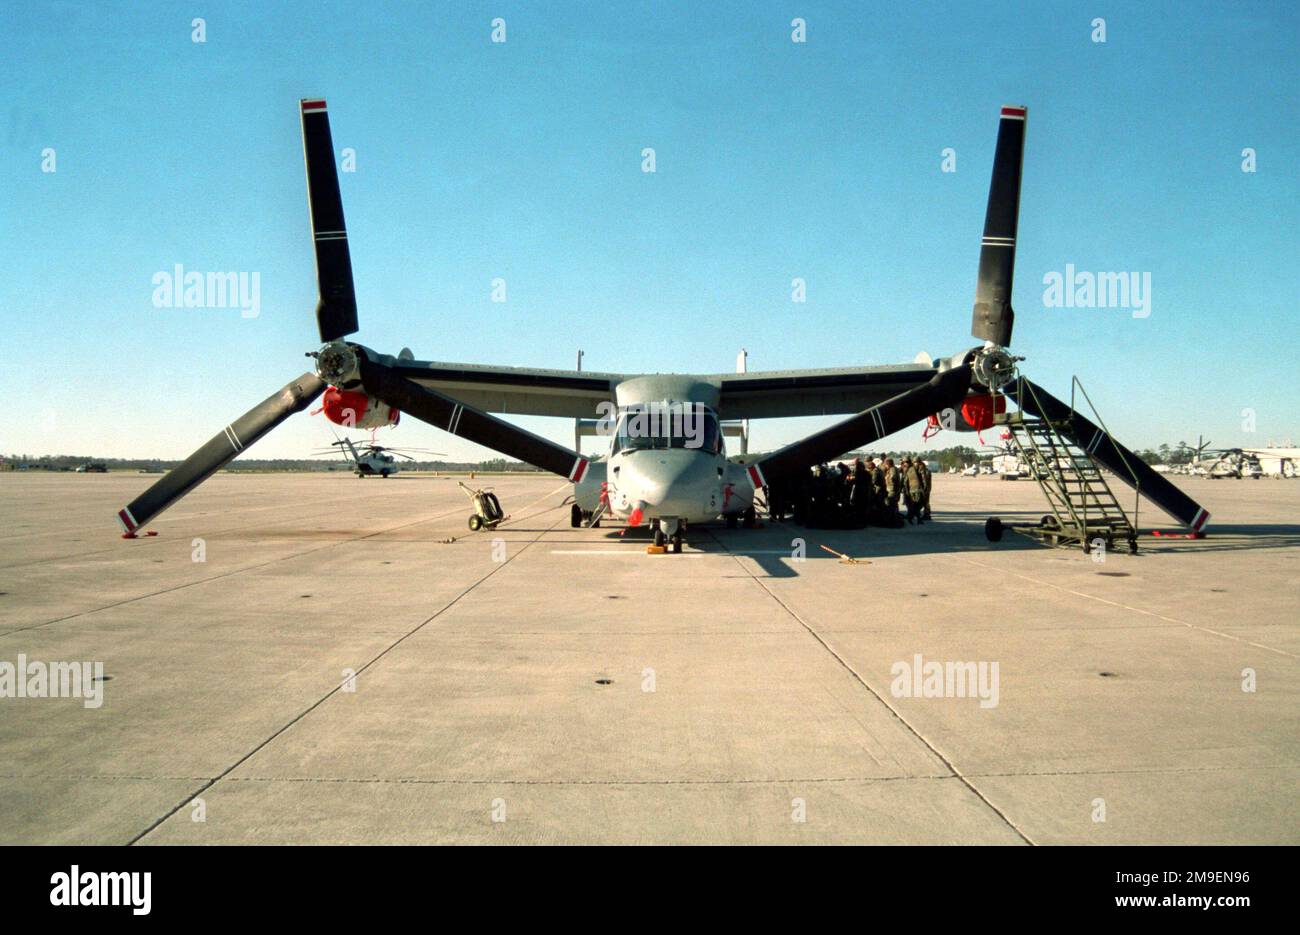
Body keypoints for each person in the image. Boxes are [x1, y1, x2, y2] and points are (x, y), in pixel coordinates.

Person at [903, 457, 925, 525]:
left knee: (915, 505)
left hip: (912, 490)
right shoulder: (917, 468)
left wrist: (907, 490)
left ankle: (916, 519)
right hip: (917, 490)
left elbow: (905, 481)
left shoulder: (909, 469)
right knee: (917, 505)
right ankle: (912, 518)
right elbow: (923, 480)